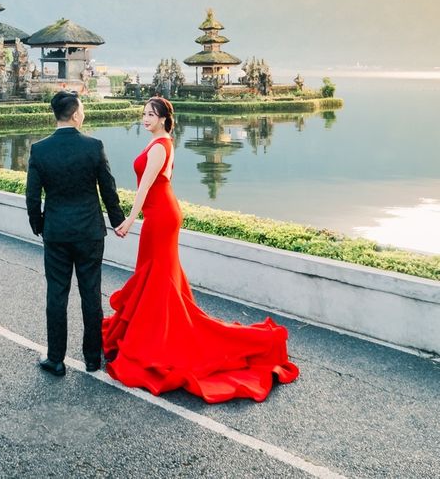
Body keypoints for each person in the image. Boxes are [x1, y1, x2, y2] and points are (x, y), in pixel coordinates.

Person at [103, 96, 299, 403]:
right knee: (158, 274)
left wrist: (130, 220)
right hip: (161, 212)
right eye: (143, 114)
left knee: (157, 275)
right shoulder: (163, 142)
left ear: (164, 118)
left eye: (150, 114)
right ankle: (158, 332)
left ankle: (161, 338)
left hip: (161, 215)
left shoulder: (159, 146)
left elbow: (145, 187)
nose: (145, 118)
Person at [26, 90, 125, 377]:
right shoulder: (93, 146)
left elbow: (33, 196)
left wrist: (39, 225)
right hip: (89, 232)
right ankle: (92, 358)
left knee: (56, 294)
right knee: (91, 294)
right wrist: (117, 220)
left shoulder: (39, 149)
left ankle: (56, 359)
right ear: (75, 114)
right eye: (81, 110)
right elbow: (108, 188)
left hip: (56, 232)